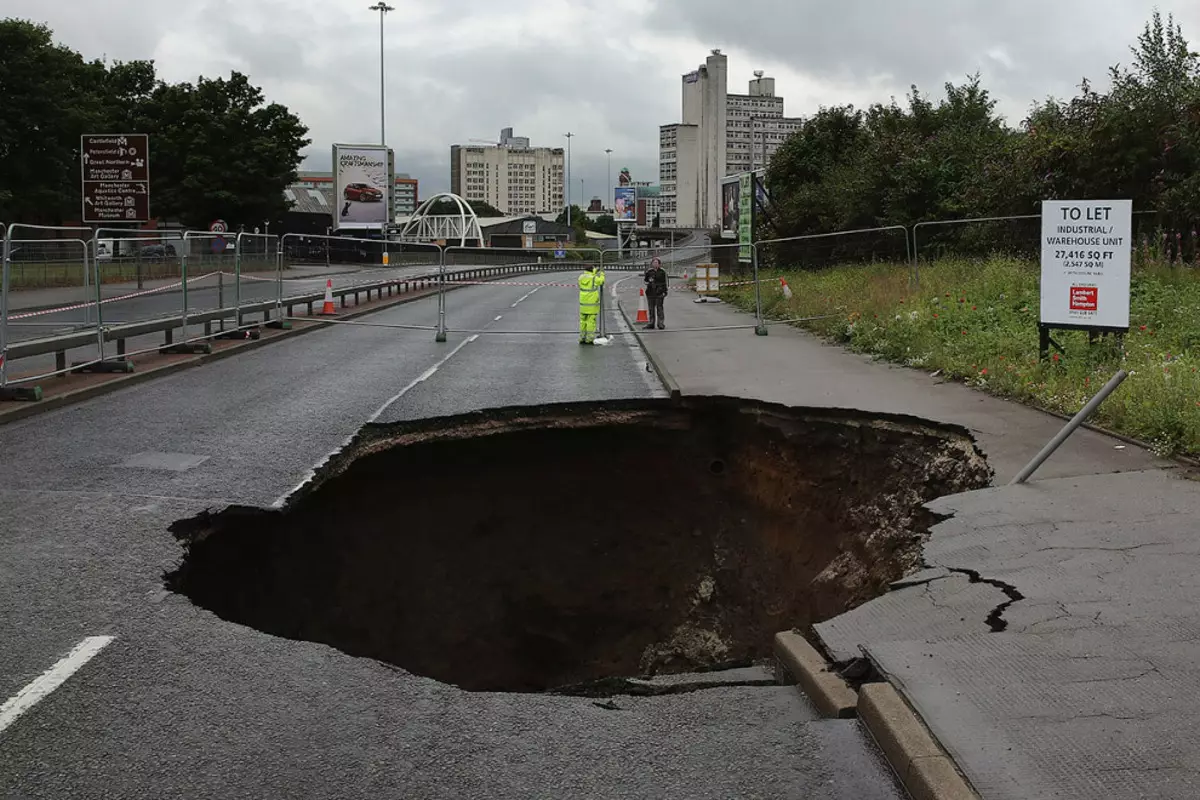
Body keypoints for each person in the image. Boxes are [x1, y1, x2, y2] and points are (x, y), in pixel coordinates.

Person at [578, 264, 606, 344]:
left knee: (583, 321)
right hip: (591, 304)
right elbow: (601, 281)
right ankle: (589, 339)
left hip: (583, 303)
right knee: (591, 321)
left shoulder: (581, 277)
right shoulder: (594, 278)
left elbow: (588, 278)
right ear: (592, 270)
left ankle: (582, 337)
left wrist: (594, 272)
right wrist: (602, 273)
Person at [643, 256, 668, 330]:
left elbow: (665, 282)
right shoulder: (649, 272)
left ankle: (660, 323)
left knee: (659, 308)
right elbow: (645, 281)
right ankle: (651, 323)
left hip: (659, 292)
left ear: (659, 264)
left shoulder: (662, 272)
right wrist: (648, 283)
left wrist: (665, 291)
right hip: (650, 292)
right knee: (651, 309)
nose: (655, 264)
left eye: (656, 262)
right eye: (654, 262)